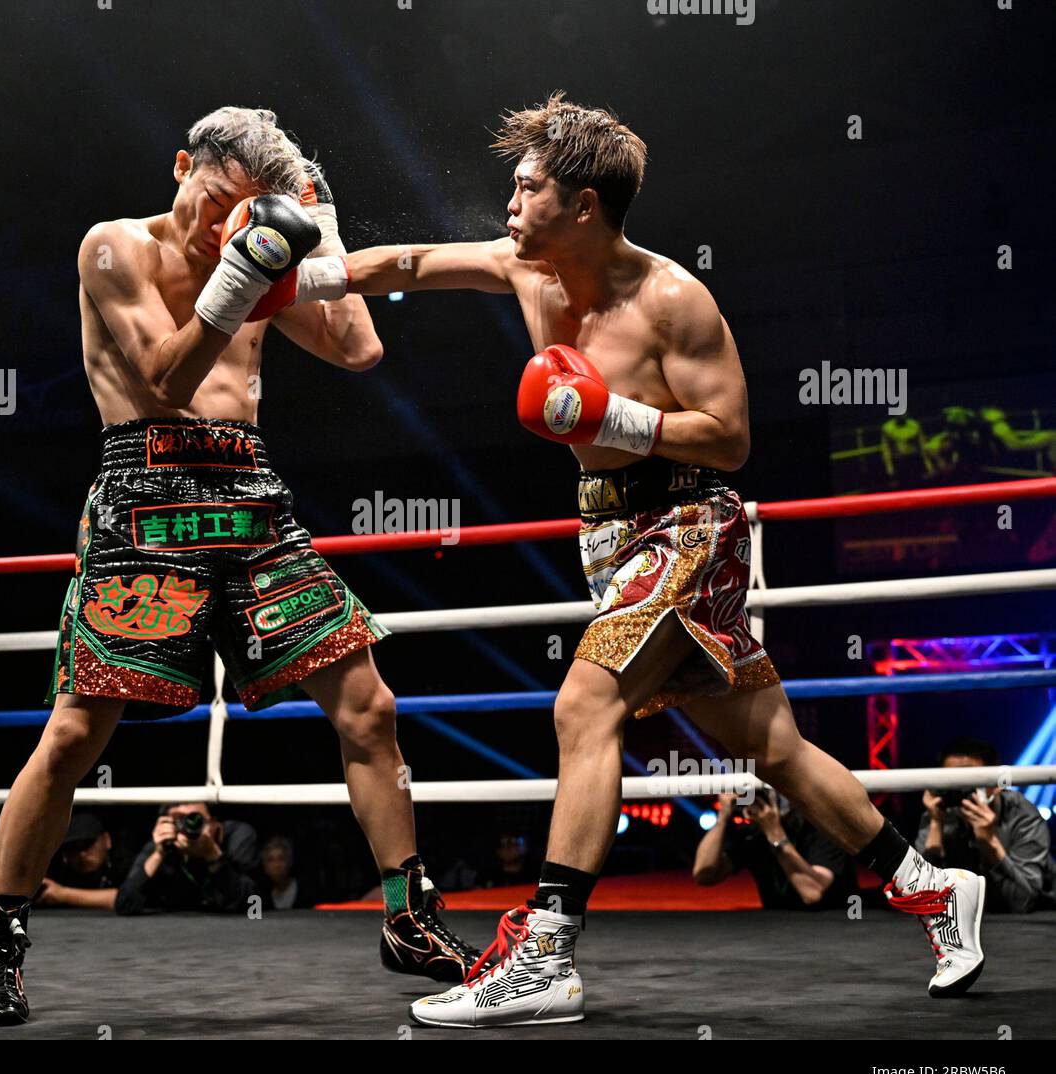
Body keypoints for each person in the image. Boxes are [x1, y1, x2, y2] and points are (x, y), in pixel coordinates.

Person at [289, 92, 987, 1026]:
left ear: (582, 204)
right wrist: (299, 280)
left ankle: (546, 954)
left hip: (689, 524)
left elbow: (731, 439)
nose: (508, 206)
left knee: (585, 703)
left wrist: (614, 417)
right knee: (767, 745)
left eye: (529, 189)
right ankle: (935, 888)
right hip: (609, 535)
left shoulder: (672, 299)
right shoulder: (524, 269)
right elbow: (408, 261)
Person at [0, 106, 478, 1026]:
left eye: (247, 212)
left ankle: (407, 915)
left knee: (371, 705)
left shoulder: (264, 256)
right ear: (180, 166)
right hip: (144, 493)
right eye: (215, 199)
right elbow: (164, 376)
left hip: (253, 497)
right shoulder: (113, 248)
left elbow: (360, 347)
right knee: (78, 732)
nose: (222, 224)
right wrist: (247, 269)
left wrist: (316, 219)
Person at [917, 738, 1056, 913]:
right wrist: (935, 832)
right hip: (964, 916)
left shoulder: (1023, 816)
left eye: (969, 782)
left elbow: (1023, 902)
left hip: (1029, 920)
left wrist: (990, 844)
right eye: (952, 782)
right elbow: (919, 899)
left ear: (996, 785)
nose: (960, 791)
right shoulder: (937, 813)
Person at [693, 788, 858, 910]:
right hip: (781, 933)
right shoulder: (755, 835)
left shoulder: (824, 829)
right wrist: (723, 818)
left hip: (839, 924)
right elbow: (705, 874)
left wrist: (775, 834)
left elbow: (812, 893)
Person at [115, 803, 259, 914]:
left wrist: (212, 855)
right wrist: (158, 855)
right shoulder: (164, 844)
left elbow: (251, 905)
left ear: (215, 823)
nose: (188, 827)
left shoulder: (238, 836)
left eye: (196, 820)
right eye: (179, 822)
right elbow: (124, 904)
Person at [35, 812, 130, 910]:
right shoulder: (55, 871)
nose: (82, 854)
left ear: (107, 840)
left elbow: (128, 898)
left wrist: (61, 894)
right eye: (73, 847)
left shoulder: (126, 867)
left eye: (88, 845)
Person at [259, 835, 304, 910]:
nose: (276, 865)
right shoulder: (261, 895)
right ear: (265, 866)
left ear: (289, 862)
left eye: (281, 859)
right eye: (270, 860)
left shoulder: (305, 890)